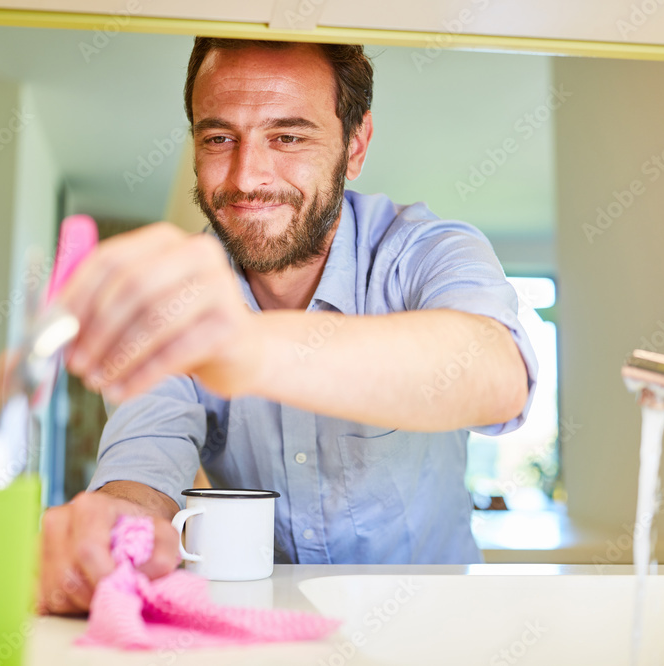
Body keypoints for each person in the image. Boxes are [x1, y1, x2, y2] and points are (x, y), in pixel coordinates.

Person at [37, 37, 537, 615]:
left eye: (289, 137)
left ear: (355, 145)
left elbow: (498, 374)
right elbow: (142, 474)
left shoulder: (427, 252)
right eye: (219, 137)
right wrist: (110, 526)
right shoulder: (171, 302)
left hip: (433, 629)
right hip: (255, 634)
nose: (247, 177)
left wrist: (246, 346)